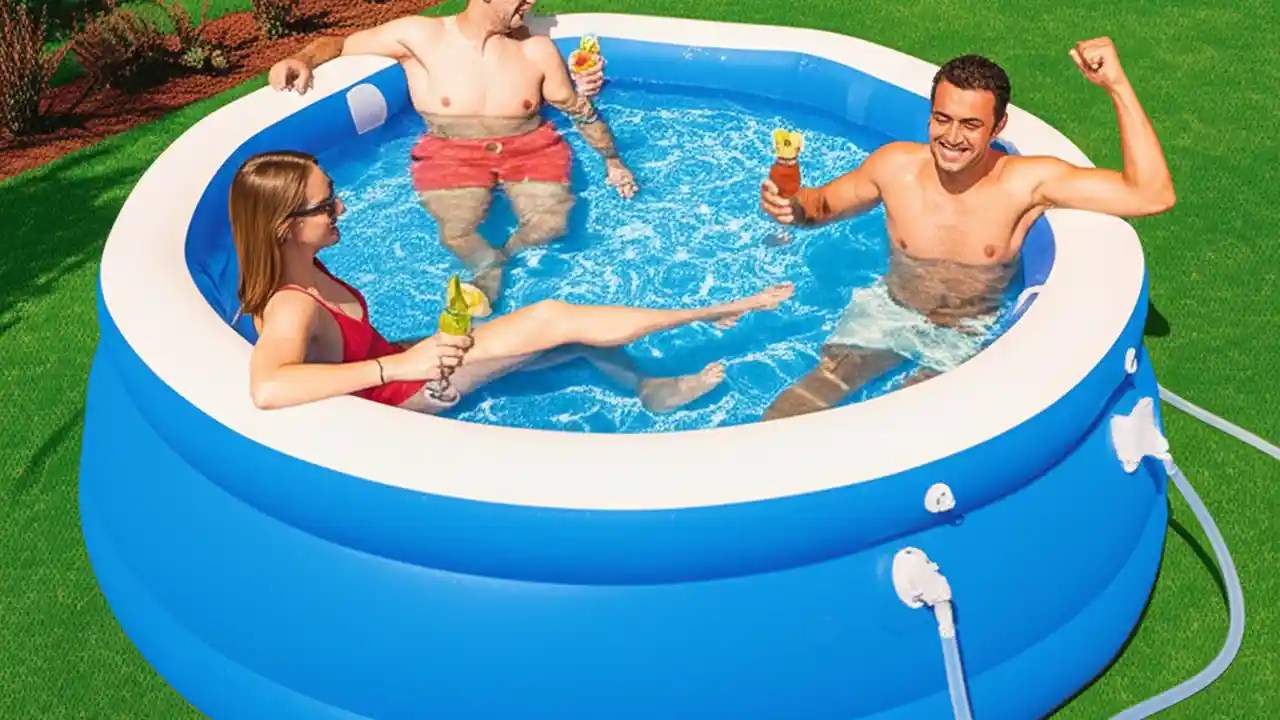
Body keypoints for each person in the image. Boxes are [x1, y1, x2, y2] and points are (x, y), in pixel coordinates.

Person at [758, 38, 1176, 421]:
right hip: (891, 309)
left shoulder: (1026, 183)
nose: (952, 137)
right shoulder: (895, 167)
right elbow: (819, 206)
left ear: (998, 127)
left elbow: (1151, 194)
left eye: (970, 125)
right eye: (942, 119)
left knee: (904, 426)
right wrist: (788, 205)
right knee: (807, 399)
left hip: (963, 331)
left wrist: (1116, 85)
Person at [231, 151, 794, 414]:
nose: (341, 207)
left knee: (568, 340)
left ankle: (649, 389)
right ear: (284, 227)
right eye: (326, 203)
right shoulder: (290, 306)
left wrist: (405, 350)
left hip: (411, 365)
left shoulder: (306, 265)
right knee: (551, 316)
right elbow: (269, 388)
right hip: (407, 394)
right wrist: (398, 365)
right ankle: (724, 308)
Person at [266, 0, 633, 304]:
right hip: (451, 150)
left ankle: (505, 252)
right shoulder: (421, 36)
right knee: (456, 233)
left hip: (528, 146)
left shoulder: (533, 51)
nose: (532, 2)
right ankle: (489, 265)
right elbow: (340, 44)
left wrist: (613, 161)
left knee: (552, 225)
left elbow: (577, 109)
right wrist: (303, 59)